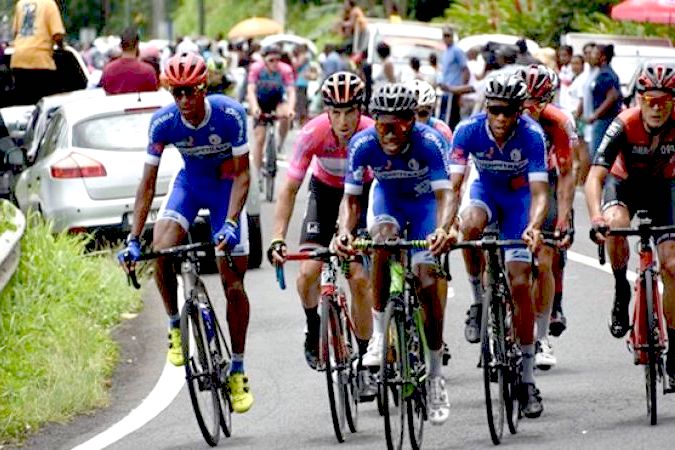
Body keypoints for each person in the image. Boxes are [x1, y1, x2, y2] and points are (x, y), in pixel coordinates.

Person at [117, 52, 254, 414]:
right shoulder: (163, 123)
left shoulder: (229, 115)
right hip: (190, 185)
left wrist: (230, 222)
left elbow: (243, 174)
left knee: (232, 280)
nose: (183, 101)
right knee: (161, 249)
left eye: (190, 92)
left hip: (226, 187)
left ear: (203, 88)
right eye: (176, 93)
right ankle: (175, 325)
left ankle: (238, 368)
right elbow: (147, 184)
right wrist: (133, 238)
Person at [334, 83, 453, 425]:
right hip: (387, 203)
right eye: (382, 124)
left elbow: (445, 196)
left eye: (398, 125)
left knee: (427, 281)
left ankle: (434, 376)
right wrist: (344, 231)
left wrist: (443, 229)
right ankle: (378, 335)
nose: (389, 133)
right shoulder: (362, 144)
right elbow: (352, 200)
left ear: (412, 121)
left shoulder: (430, 142)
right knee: (382, 243)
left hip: (425, 207)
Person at [267, 72, 377, 399]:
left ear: (360, 110)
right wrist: (277, 238)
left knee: (358, 277)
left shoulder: (371, 133)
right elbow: (289, 189)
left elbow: (381, 189)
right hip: (325, 193)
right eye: (336, 112)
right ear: (326, 111)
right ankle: (313, 326)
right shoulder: (313, 132)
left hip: (363, 195)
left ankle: (364, 357)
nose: (343, 121)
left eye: (350, 112)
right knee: (308, 271)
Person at [449, 72, 548, 418]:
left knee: (520, 282)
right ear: (486, 108)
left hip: (519, 200)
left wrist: (534, 227)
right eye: (495, 110)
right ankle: (478, 300)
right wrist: (448, 225)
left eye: (508, 111)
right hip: (485, 192)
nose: (501, 118)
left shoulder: (533, 135)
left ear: (520, 110)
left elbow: (539, 193)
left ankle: (527, 378)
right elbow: (454, 185)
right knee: (469, 228)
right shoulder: (467, 130)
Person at [585, 63, 675, 387]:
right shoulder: (624, 123)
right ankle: (621, 285)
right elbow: (594, 177)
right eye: (649, 100)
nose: (656, 107)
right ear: (639, 99)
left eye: (664, 101)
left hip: (665, 188)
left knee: (673, 265)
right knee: (615, 222)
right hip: (624, 185)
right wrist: (596, 218)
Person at [521, 65, 577, 369]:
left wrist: (564, 218)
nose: (531, 108)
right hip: (512, 185)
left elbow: (568, 172)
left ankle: (543, 333)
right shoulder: (506, 116)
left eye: (539, 101)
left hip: (548, 182)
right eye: (526, 101)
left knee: (548, 254)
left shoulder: (559, 122)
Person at [246, 44, 296, 180]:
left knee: (285, 115)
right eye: (271, 60)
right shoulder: (256, 68)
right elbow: (250, 90)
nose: (275, 63)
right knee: (260, 138)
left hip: (277, 101)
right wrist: (255, 108)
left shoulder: (285, 69)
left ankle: (280, 144)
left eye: (277, 60)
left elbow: (291, 92)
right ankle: (256, 175)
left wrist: (291, 109)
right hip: (260, 102)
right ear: (264, 60)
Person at [10, 0, 65, 105]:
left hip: (18, 59)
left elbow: (16, 32)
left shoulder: (21, 3)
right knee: (41, 104)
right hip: (40, 60)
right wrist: (61, 47)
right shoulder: (49, 4)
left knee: (24, 102)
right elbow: (57, 34)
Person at [587, 44, 622, 159]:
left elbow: (612, 97)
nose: (591, 56)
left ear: (603, 57)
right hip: (604, 119)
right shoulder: (602, 72)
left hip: (605, 120)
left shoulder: (606, 74)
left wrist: (595, 115)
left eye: (595, 54)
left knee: (598, 154)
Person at [100, 27, 158, 95]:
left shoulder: (108, 70)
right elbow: (153, 95)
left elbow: (106, 92)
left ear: (121, 45)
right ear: (137, 44)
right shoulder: (148, 71)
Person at [438, 26, 469, 130]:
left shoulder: (457, 51)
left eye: (448, 36)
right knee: (443, 119)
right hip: (445, 91)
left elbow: (465, 70)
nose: (446, 38)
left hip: (453, 92)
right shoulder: (446, 52)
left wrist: (460, 92)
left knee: (450, 122)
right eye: (444, 36)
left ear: (452, 36)